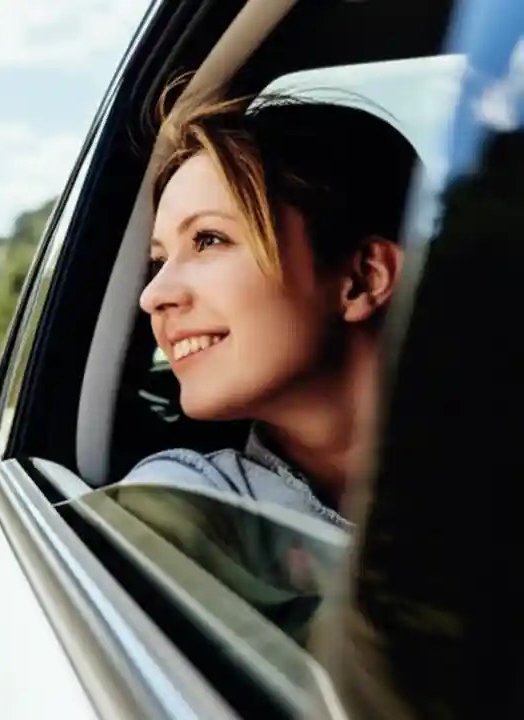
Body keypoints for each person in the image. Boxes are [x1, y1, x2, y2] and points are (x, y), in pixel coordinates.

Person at [119, 88, 421, 529]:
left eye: (208, 239)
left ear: (362, 278)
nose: (151, 296)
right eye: (159, 262)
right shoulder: (190, 501)